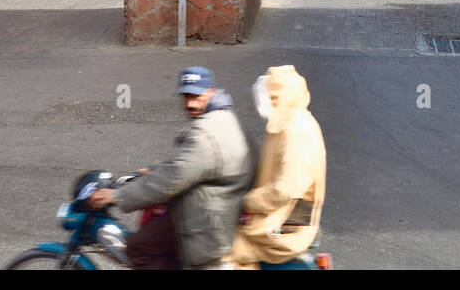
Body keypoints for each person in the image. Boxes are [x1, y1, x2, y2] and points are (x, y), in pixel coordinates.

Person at [87, 66, 254, 269]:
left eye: (197, 96)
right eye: (186, 96)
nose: (191, 103)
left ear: (210, 91)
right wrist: (156, 169)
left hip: (205, 219)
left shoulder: (205, 134)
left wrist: (118, 196)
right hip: (215, 202)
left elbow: (170, 180)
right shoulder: (225, 117)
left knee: (138, 247)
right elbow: (191, 164)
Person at [229, 65, 326, 268]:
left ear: (281, 97)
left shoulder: (296, 130)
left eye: (270, 98)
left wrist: (249, 201)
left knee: (225, 249)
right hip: (286, 211)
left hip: (286, 219)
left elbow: (285, 189)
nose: (263, 104)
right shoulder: (284, 123)